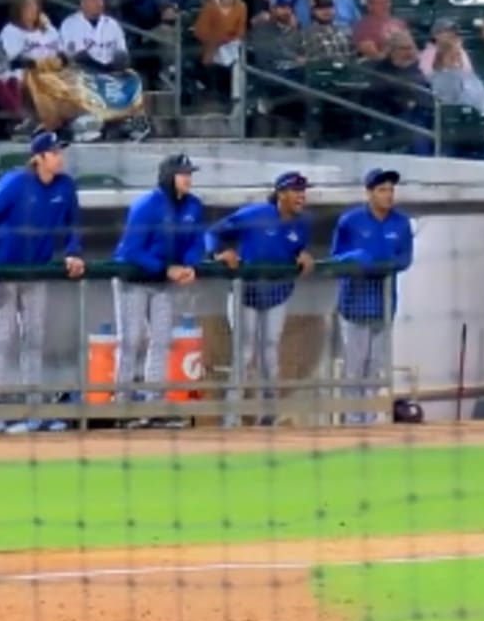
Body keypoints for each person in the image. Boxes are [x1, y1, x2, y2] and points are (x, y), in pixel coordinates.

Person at [0, 131, 83, 434]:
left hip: (37, 271)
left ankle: (36, 413)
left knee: (35, 339)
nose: (60, 157)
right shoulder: (16, 183)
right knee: (3, 340)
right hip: (3, 271)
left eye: (61, 152)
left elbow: (73, 224)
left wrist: (73, 252)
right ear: (39, 157)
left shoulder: (65, 186)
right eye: (54, 152)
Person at [206, 171, 315, 427]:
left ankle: (269, 414)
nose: (301, 196)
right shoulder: (254, 215)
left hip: (277, 295)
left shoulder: (303, 223)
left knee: (270, 353)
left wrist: (302, 254)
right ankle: (231, 417)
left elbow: (293, 247)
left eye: (303, 191)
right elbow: (214, 232)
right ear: (281, 194)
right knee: (243, 355)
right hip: (246, 294)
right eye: (296, 191)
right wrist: (219, 252)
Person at [111, 153, 206, 428]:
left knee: (161, 341)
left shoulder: (193, 206)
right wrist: (166, 269)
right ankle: (122, 408)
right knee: (131, 341)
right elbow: (131, 250)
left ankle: (153, 405)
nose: (188, 178)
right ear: (168, 176)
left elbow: (196, 242)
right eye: (182, 173)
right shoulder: (147, 205)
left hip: (164, 283)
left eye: (189, 173)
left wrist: (190, 265)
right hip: (134, 279)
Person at [330, 168, 415, 425]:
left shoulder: (401, 223)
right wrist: (358, 263)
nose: (388, 195)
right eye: (382, 190)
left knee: (375, 365)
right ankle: (354, 418)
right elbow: (335, 257)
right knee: (355, 365)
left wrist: (384, 265)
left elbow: (405, 259)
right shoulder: (350, 221)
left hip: (385, 305)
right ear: (369, 193)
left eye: (391, 190)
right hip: (354, 304)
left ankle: (368, 417)